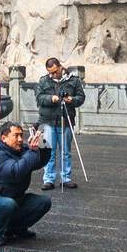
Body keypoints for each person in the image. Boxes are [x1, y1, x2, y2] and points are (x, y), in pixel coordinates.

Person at [0, 123, 52, 245]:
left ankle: (16, 228)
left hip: (15, 200)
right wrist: (31, 152)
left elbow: (40, 161)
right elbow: (15, 172)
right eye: (16, 136)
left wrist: (41, 142)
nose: (20, 139)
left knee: (43, 202)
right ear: (4, 138)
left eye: (21, 135)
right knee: (7, 204)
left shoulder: (22, 151)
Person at [35, 58, 85, 190]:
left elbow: (81, 98)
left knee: (65, 151)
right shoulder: (43, 80)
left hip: (66, 120)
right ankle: (48, 179)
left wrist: (71, 99)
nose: (52, 74)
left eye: (55, 71)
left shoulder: (73, 80)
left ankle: (66, 178)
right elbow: (39, 98)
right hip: (47, 121)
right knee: (48, 151)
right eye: (50, 72)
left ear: (60, 67)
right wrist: (51, 98)